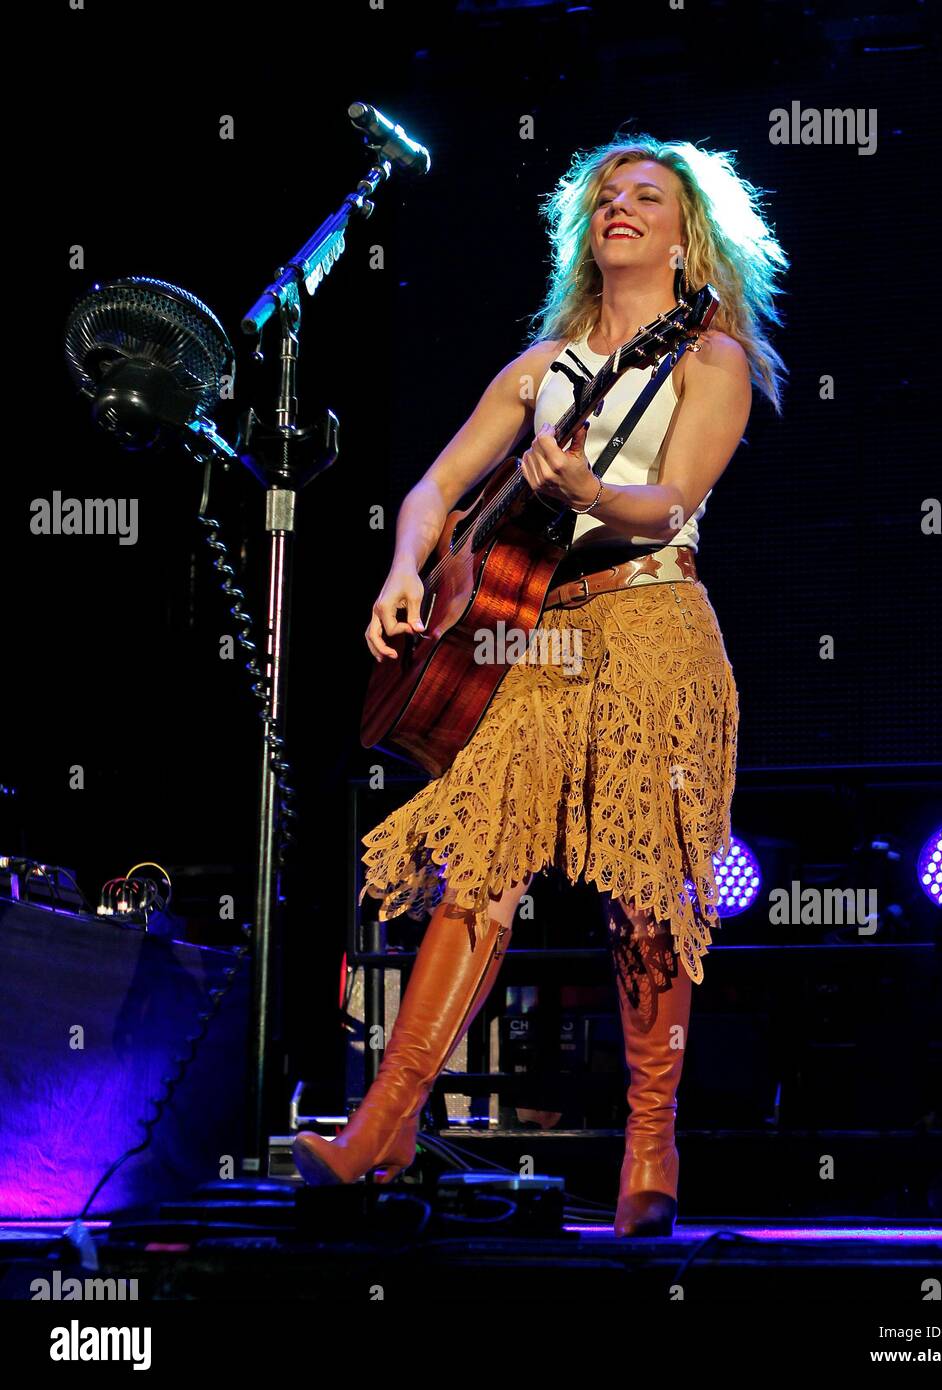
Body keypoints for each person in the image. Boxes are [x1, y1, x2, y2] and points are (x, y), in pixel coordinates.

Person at [293, 134, 788, 1236]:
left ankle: (647, 1151)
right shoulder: (540, 367)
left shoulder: (711, 357)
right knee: (478, 864)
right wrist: (399, 570)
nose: (620, 206)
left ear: (683, 232)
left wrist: (591, 493)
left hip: (655, 621)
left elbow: (668, 502)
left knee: (643, 878)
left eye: (645, 195)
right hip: (538, 643)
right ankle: (381, 1127)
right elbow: (434, 486)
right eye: (605, 194)